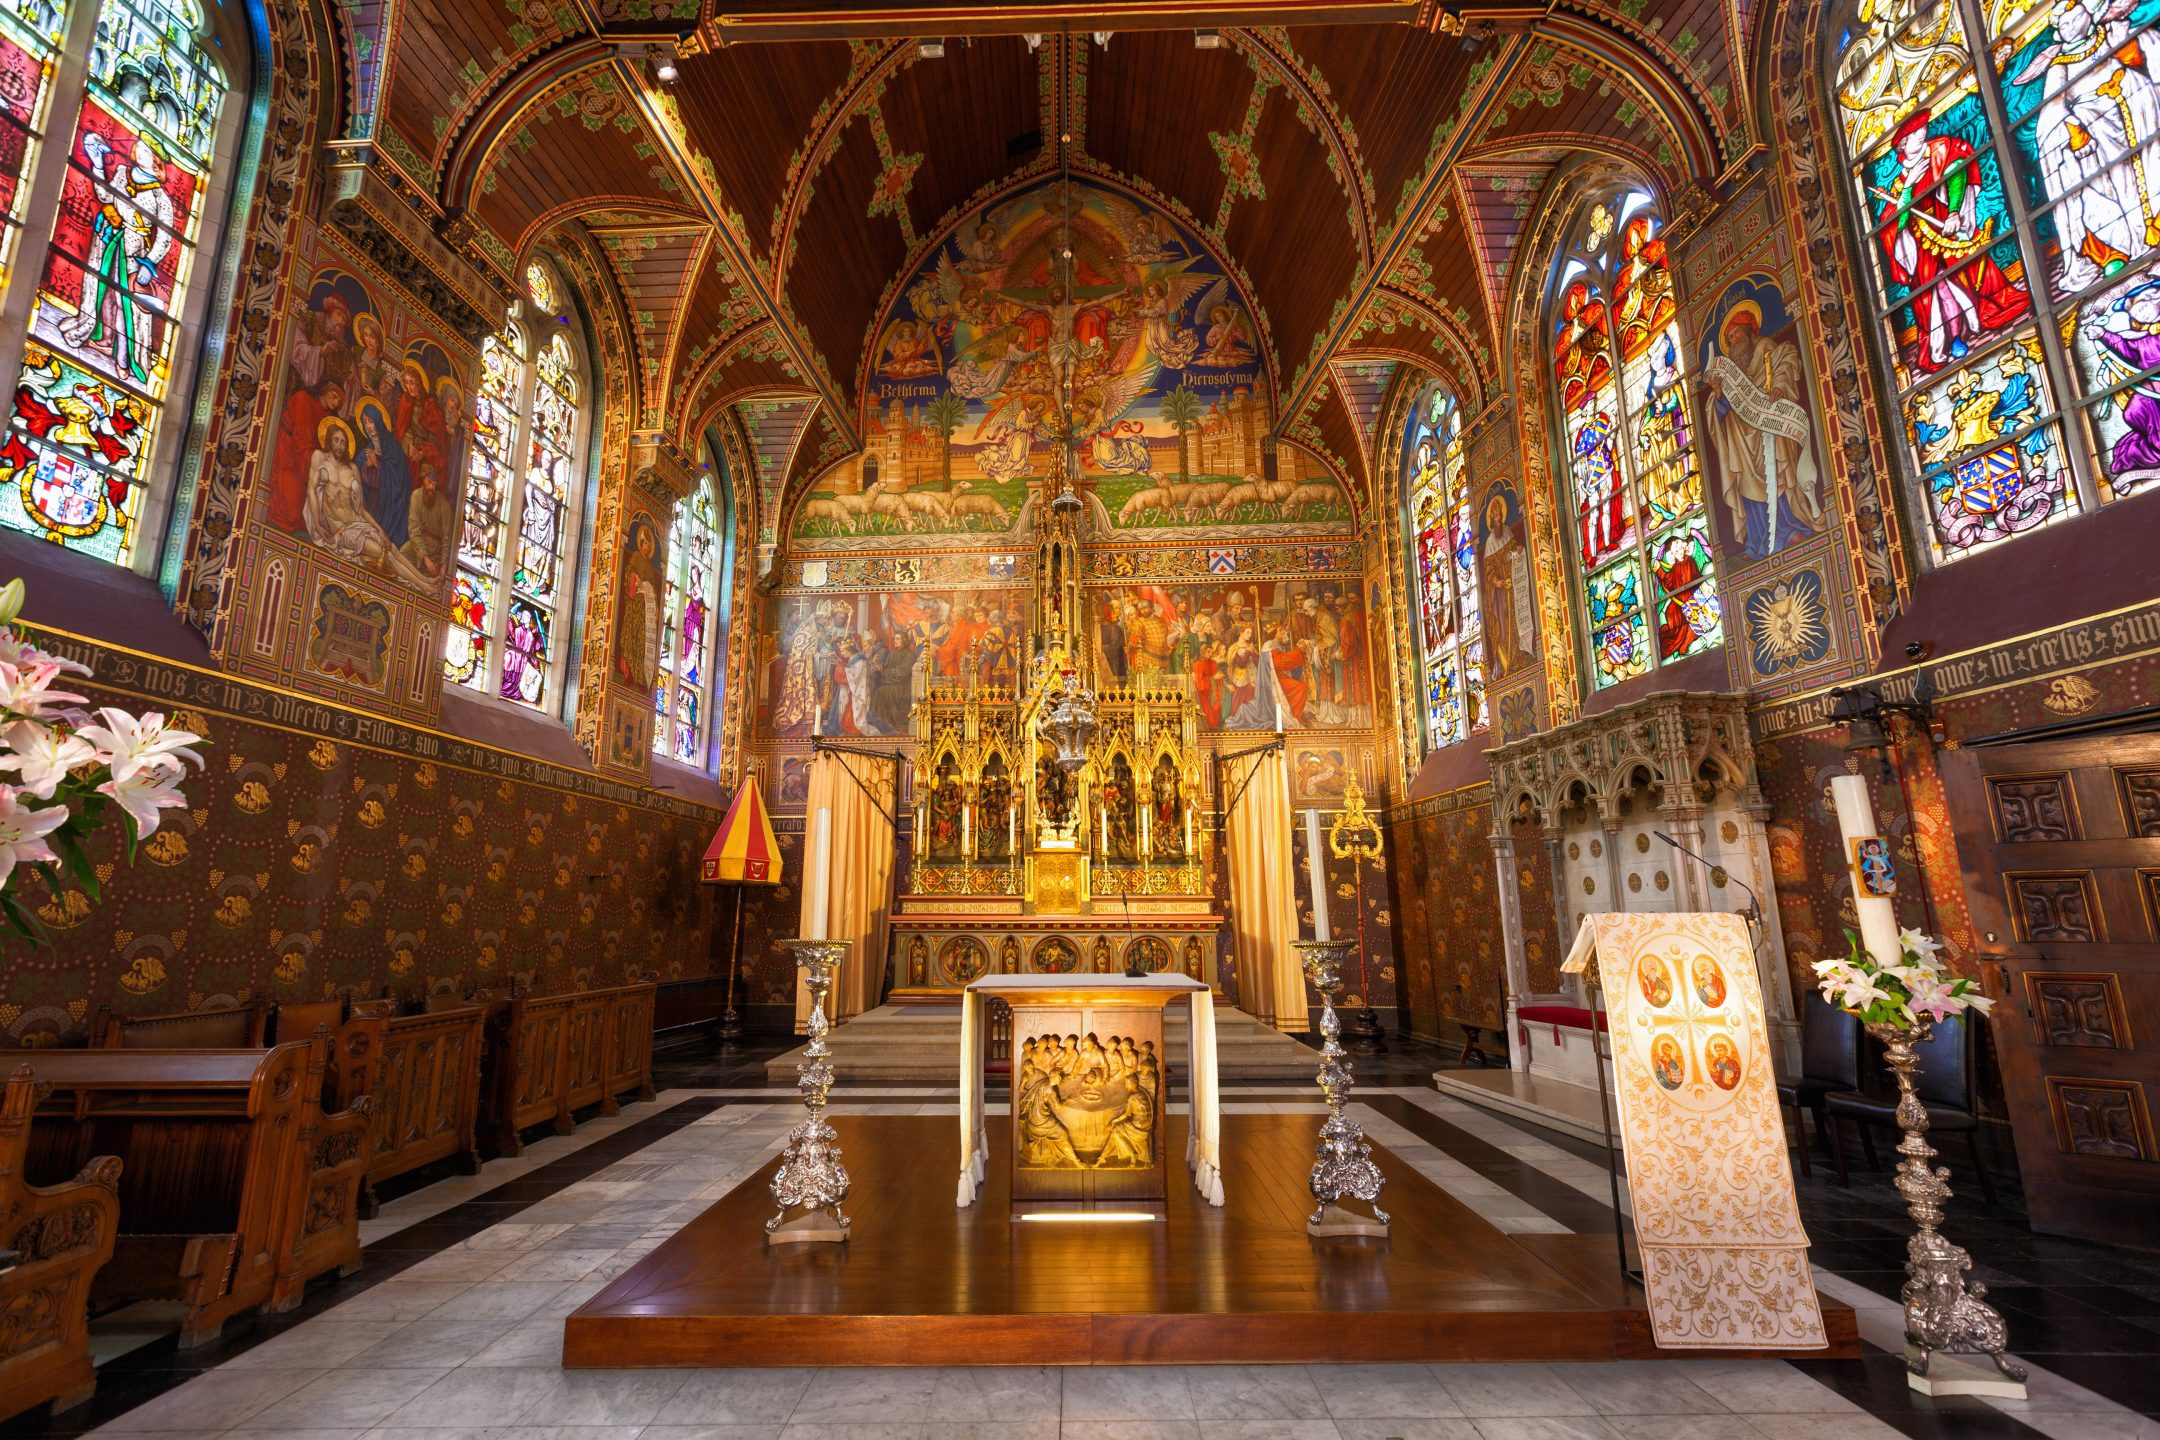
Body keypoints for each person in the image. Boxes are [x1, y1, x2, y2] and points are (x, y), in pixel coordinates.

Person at [1872, 110, 2031, 373]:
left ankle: (1978, 320)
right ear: (1902, 145)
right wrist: (1909, 187)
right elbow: (1894, 225)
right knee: (1938, 294)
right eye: (1913, 133)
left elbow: (1957, 173)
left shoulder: (1942, 150)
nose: (1921, 133)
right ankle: (1948, 341)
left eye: (1922, 128)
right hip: (1922, 249)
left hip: (1950, 231)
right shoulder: (1901, 181)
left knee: (1972, 276)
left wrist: (1955, 211)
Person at [1705, 302, 1823, 559]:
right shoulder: (1731, 372)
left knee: (1777, 475)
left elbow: (1787, 361)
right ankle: (1758, 542)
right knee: (1748, 485)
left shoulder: (1766, 348)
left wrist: (1780, 385)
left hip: (1767, 427)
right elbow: (1720, 411)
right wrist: (1718, 397)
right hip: (1741, 439)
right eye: (1729, 338)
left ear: (1749, 331)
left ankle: (1788, 529)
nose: (1733, 340)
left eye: (1736, 333)